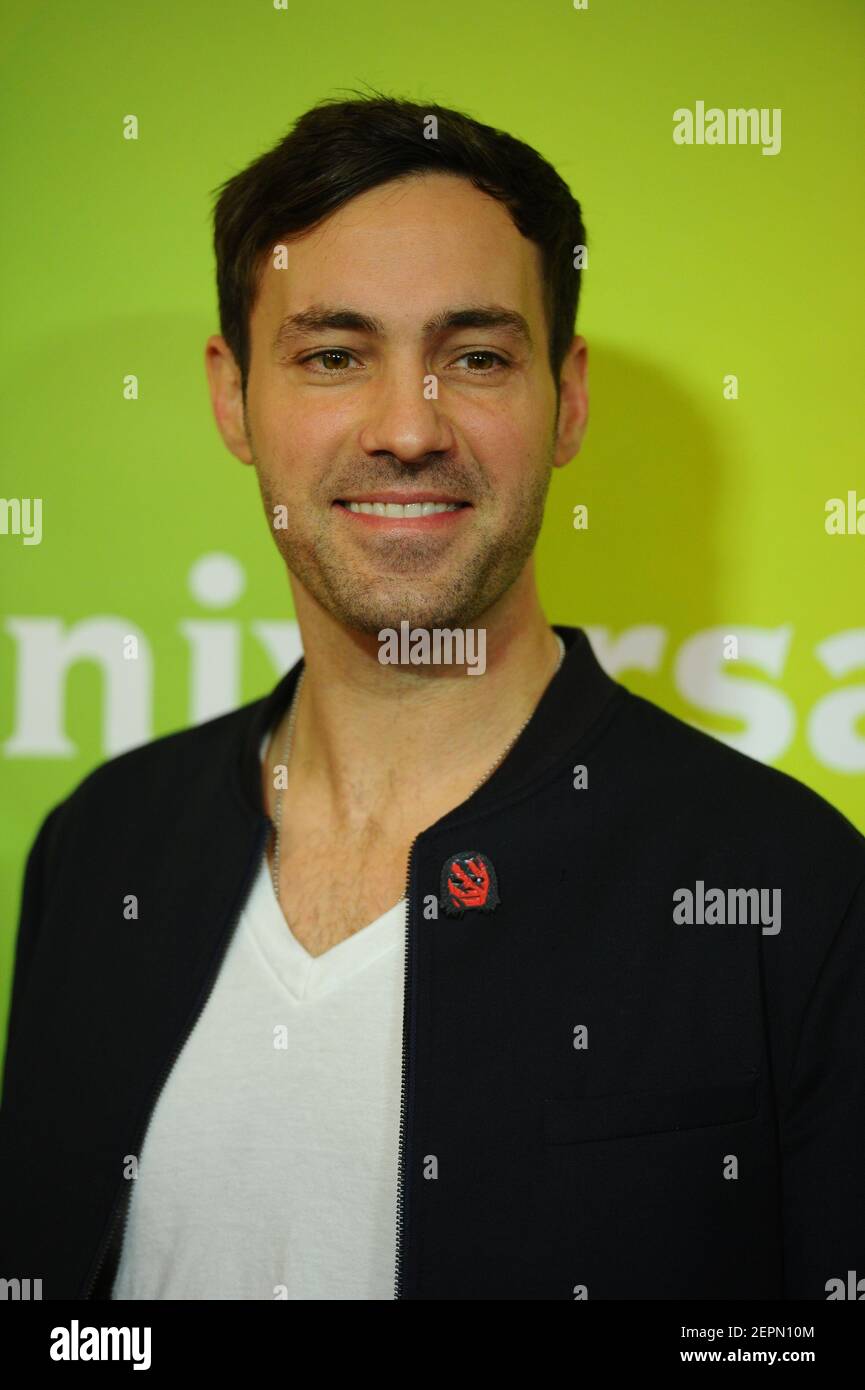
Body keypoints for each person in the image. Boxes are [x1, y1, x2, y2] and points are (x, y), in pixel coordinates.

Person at [1, 93, 863, 1302]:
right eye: (334, 355)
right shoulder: (100, 848)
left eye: (475, 356)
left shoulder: (793, 888)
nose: (409, 428)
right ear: (230, 395)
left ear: (564, 399)